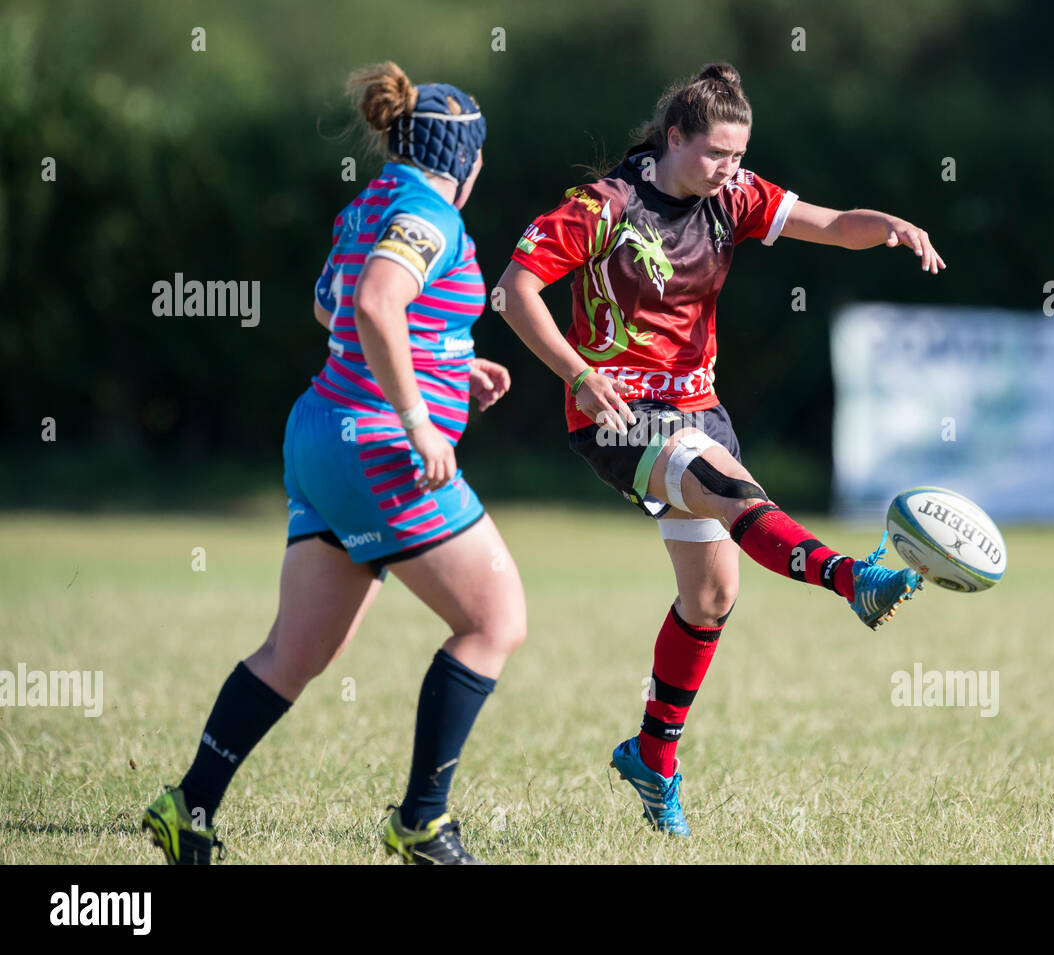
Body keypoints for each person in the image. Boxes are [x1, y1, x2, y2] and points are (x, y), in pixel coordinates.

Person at [495, 63, 944, 837]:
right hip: (617, 412)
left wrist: (892, 227)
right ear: (674, 138)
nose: (729, 169)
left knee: (709, 597)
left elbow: (835, 226)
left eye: (738, 156)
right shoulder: (604, 208)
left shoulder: (732, 197)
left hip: (697, 407)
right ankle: (852, 578)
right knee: (724, 484)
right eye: (715, 155)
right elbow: (512, 290)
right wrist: (578, 370)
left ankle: (652, 755)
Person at [142, 62, 524, 865]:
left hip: (319, 432)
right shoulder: (430, 211)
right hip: (375, 439)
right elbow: (375, 304)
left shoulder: (372, 202)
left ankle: (188, 806)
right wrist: (422, 419)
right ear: (468, 158)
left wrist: (453, 358)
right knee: (494, 622)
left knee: (298, 651)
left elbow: (331, 301)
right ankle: (421, 822)